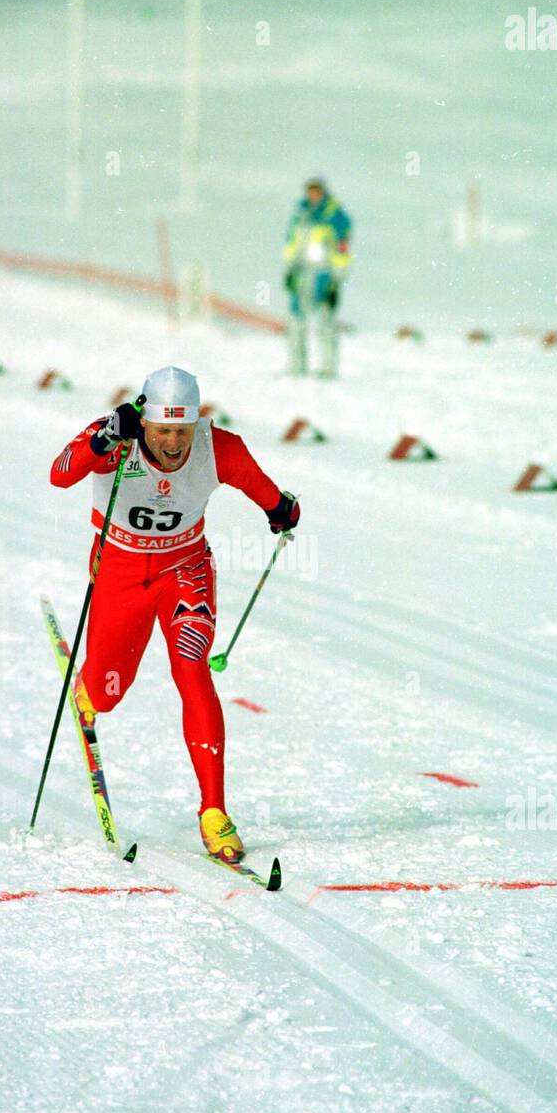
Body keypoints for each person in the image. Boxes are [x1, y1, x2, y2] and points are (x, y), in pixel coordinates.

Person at [49, 366, 300, 864]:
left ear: (195, 423)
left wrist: (281, 510)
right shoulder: (117, 435)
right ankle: (90, 687)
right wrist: (101, 440)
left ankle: (213, 811)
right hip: (120, 572)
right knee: (105, 694)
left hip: (184, 569)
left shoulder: (218, 447)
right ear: (145, 421)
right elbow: (60, 474)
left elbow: (264, 489)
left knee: (192, 666)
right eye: (162, 430)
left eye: (181, 431)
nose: (171, 443)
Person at [282, 176, 352, 377]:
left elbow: (342, 249)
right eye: (310, 191)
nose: (312, 195)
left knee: (324, 319)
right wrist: (289, 269)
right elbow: (291, 243)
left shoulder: (335, 215)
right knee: (296, 319)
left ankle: (328, 367)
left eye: (316, 191)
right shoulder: (301, 213)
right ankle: (297, 365)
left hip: (324, 272)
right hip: (301, 272)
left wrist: (337, 278)